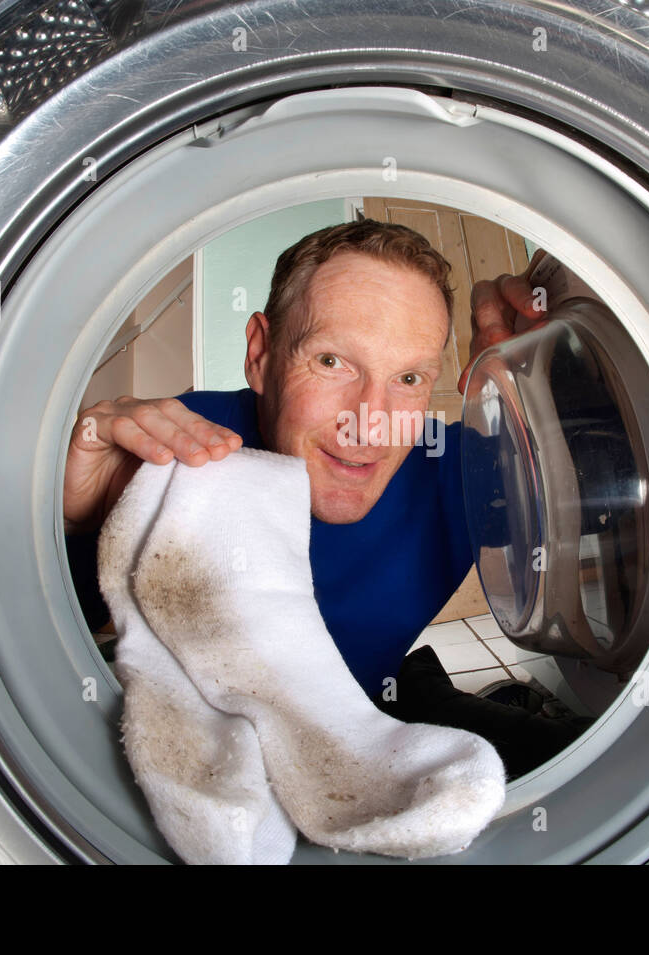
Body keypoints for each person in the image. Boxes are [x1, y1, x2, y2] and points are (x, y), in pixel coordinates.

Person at [65, 218, 590, 778]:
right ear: (261, 355)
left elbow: (621, 475)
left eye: (409, 378)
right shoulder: (184, 447)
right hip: (204, 755)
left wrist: (554, 353)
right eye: (332, 362)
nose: (370, 424)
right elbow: (72, 626)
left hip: (361, 727)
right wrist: (74, 525)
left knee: (575, 764)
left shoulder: (459, 472)